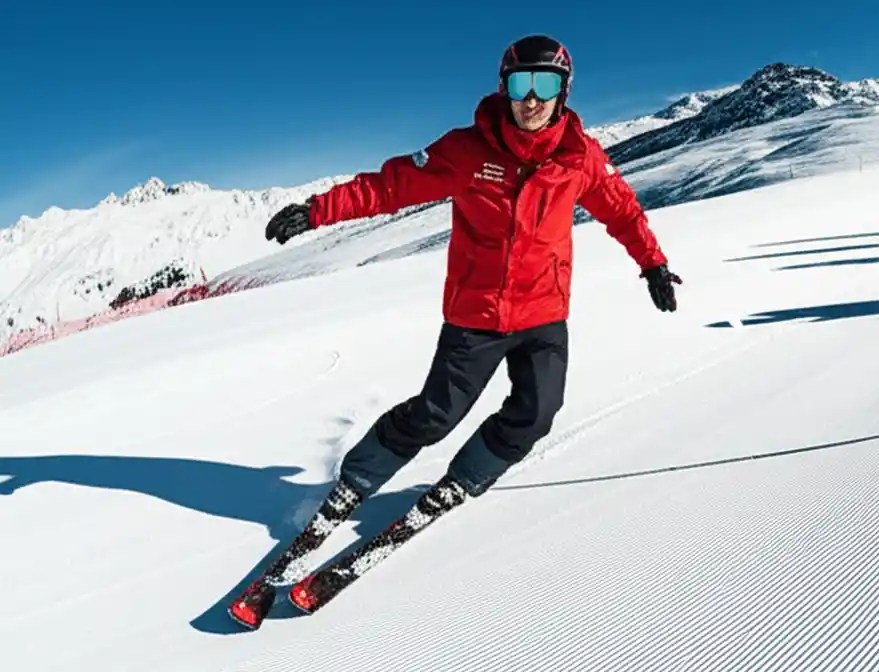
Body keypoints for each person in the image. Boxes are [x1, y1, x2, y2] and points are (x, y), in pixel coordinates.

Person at [263, 34, 680, 520]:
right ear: (504, 87)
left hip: (544, 315)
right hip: (475, 316)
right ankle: (357, 478)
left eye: (545, 84)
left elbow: (622, 211)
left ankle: (463, 479)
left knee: (537, 414)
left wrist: (652, 263)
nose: (531, 98)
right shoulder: (467, 151)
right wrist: (316, 211)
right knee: (435, 416)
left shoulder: (579, 157)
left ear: (563, 91)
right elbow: (390, 186)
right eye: (521, 82)